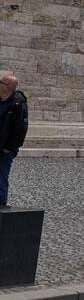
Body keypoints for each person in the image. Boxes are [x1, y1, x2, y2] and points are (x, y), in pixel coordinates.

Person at [0, 71, 28, 207]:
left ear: (7, 87)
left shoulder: (18, 104)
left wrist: (8, 148)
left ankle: (1, 209)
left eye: (1, 82)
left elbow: (20, 129)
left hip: (5, 150)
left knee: (1, 179)